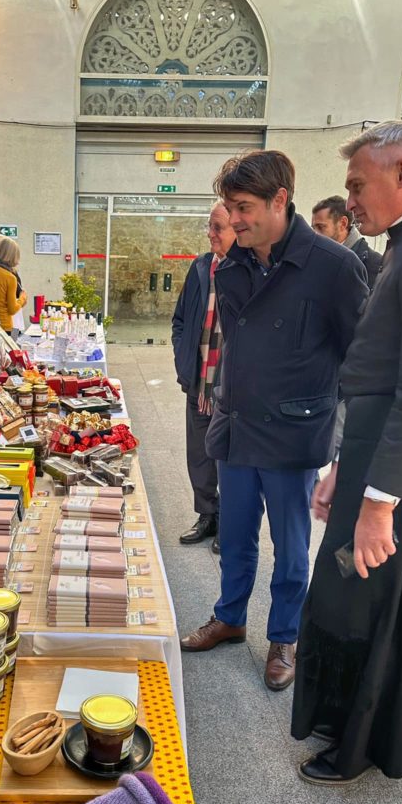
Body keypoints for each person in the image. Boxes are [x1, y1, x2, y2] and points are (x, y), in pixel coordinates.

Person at [292, 120, 402, 785]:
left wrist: (380, 501)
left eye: (357, 185)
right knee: (350, 593)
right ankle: (346, 715)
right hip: (379, 445)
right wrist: (346, 466)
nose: (350, 202)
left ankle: (366, 744)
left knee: (381, 600)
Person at [181, 150, 369, 695]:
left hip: (293, 434)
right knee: (236, 538)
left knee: (290, 549)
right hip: (236, 427)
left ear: (279, 201)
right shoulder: (232, 263)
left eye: (242, 208)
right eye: (229, 209)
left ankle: (285, 636)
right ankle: (230, 616)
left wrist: (342, 438)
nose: (233, 221)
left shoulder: (334, 266)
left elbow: (355, 357)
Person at [171, 202, 236, 550]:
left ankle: (228, 523)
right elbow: (180, 320)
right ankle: (207, 515)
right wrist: (182, 358)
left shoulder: (246, 270)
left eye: (217, 228)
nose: (210, 234)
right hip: (198, 382)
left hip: (229, 388)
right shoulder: (199, 268)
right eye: (209, 227)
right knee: (198, 453)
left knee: (227, 457)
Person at [311, 194, 383, 290]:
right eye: (313, 228)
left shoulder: (375, 266)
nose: (315, 234)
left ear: (343, 223)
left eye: (321, 227)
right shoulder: (315, 258)